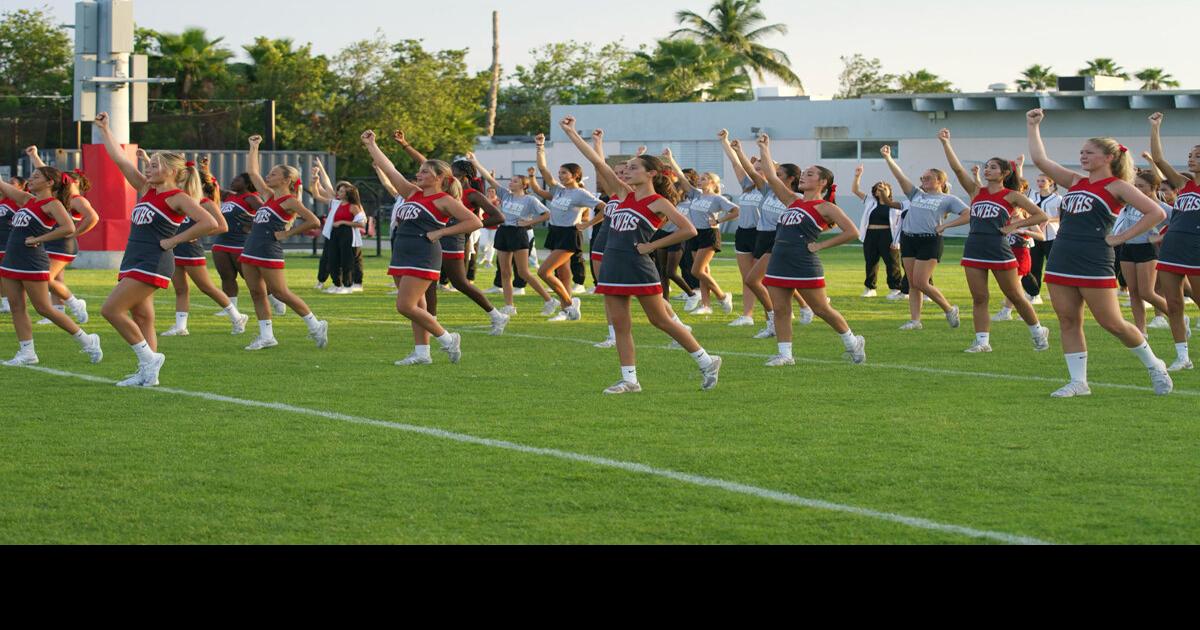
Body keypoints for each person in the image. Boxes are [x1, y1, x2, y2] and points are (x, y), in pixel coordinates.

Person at [559, 116, 721, 393]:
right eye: (627, 168)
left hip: (637, 265)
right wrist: (570, 132)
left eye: (634, 168)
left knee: (660, 320)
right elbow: (598, 163)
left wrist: (653, 246)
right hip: (612, 263)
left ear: (651, 174)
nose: (626, 172)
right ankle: (630, 380)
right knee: (620, 325)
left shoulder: (658, 201)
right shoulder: (622, 194)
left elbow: (688, 230)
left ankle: (707, 360)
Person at [1027, 108, 1172, 396]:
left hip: (1095, 259)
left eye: (1089, 153)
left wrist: (1120, 238)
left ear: (1109, 157)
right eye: (1082, 152)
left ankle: (1155, 365)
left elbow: (1155, 212)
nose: (1083, 157)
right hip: (1062, 256)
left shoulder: (1117, 186)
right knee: (1068, 319)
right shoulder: (1076, 181)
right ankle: (1078, 382)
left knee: (1112, 322)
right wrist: (1033, 126)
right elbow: (1040, 160)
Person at [93, 112, 218, 386]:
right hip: (134, 258)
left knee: (111, 310)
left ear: (172, 172)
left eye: (155, 166)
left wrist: (174, 241)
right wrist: (105, 129)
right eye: (149, 166)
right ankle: (149, 375)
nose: (148, 169)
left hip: (153, 260)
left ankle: (149, 358)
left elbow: (209, 222)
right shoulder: (147, 190)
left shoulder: (178, 197)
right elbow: (119, 160)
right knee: (142, 316)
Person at [363, 129, 482, 366]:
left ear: (440, 177)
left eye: (425, 171)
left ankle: (448, 338)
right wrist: (371, 144)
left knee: (405, 305)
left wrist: (441, 232)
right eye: (420, 170)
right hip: (402, 252)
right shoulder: (413, 193)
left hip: (423, 254)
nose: (419, 174)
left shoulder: (444, 200)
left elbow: (475, 221)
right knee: (418, 305)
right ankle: (422, 353)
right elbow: (390, 170)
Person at [935, 129, 1051, 353]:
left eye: (993, 167)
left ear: (1005, 173)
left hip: (999, 249)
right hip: (974, 247)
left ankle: (1038, 330)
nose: (988, 169)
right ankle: (982, 342)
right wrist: (945, 143)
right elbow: (957, 169)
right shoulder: (976, 191)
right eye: (986, 166)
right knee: (979, 298)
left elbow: (1041, 216)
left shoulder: (1012, 195)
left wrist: (1014, 226)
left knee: (1015, 295)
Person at [756, 134, 866, 366]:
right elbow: (771, 177)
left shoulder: (826, 207)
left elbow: (852, 232)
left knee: (821, 309)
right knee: (780, 309)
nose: (804, 176)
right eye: (803, 173)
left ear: (823, 182)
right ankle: (786, 355)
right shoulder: (793, 200)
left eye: (810, 174)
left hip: (804, 261)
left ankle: (853, 342)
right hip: (779, 259)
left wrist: (821, 245)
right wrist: (765, 148)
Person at [392, 131, 510, 334]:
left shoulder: (471, 194)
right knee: (428, 284)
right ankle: (431, 320)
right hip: (430, 238)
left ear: (462, 177)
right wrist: (405, 145)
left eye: (453, 173)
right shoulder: (437, 190)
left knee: (460, 282)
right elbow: (426, 163)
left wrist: (456, 229)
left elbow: (497, 217)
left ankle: (495, 314)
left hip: (453, 240)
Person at [0, 166, 103, 366]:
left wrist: (40, 238)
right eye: (31, 175)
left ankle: (87, 340)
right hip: (12, 259)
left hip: (32, 261)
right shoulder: (28, 200)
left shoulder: (52, 203)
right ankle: (27, 352)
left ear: (49, 183)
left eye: (36, 176)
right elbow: (4, 186)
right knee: (16, 307)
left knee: (44, 308)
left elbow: (68, 227)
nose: (31, 178)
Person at [239, 134, 329, 351]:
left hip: (269, 250)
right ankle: (266, 335)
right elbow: (252, 172)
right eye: (269, 173)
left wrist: (287, 235)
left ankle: (316, 326)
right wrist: (253, 147)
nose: (268, 176)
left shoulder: (289, 201)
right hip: (251, 248)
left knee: (280, 293)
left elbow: (314, 221)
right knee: (257, 293)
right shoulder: (269, 196)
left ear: (287, 180)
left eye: (274, 174)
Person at [160, 157, 249, 337]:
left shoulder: (205, 202)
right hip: (174, 249)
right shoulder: (177, 200)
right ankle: (181, 326)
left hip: (192, 251)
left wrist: (196, 234)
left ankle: (237, 316)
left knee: (206, 287)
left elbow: (222, 226)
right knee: (180, 288)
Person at [880, 145, 964, 331]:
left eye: (928, 178)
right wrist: (888, 158)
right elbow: (900, 177)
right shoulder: (917, 194)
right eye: (922, 178)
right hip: (909, 239)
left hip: (930, 240)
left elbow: (968, 214)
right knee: (912, 283)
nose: (923, 181)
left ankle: (949, 309)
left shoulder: (948, 199)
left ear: (940, 181)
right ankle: (915, 321)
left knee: (921, 282)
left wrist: (946, 225)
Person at [466, 152, 555, 315]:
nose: (511, 183)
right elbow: (490, 179)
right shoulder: (505, 194)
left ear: (523, 185)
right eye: (511, 180)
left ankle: (549, 300)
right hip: (503, 232)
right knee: (504, 271)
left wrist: (528, 223)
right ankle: (509, 306)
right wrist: (475, 162)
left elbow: (547, 214)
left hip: (519, 233)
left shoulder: (530, 200)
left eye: (515, 181)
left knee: (523, 272)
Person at [531, 132, 603, 321]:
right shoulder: (559, 191)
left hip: (569, 235)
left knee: (543, 272)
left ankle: (570, 305)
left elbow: (604, 208)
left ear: (575, 175)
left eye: (564, 173)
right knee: (561, 273)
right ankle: (566, 309)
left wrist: (589, 223)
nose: (560, 176)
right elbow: (543, 169)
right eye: (560, 173)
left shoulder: (580, 193)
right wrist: (540, 147)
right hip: (555, 233)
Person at [1147, 112, 1199, 371]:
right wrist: (1155, 128)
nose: (1191, 158)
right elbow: (1158, 159)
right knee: (1174, 304)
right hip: (1172, 250)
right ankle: (1182, 357)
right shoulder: (1184, 184)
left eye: (1197, 155)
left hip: (1196, 250)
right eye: (1191, 154)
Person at [662, 149, 739, 316]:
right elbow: (682, 179)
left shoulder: (717, 198)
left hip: (709, 234)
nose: (700, 181)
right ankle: (706, 305)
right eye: (700, 178)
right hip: (695, 234)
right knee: (704, 271)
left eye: (704, 179)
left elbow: (735, 211)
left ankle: (723, 296)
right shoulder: (696, 195)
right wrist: (670, 158)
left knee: (696, 271)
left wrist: (718, 221)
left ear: (712, 183)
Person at [719, 131, 773, 328]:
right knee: (748, 278)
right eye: (754, 168)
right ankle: (747, 315)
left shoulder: (770, 189)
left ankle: (781, 312)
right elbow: (736, 164)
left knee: (764, 279)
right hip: (743, 233)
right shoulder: (747, 186)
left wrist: (764, 149)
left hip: (762, 233)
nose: (755, 171)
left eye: (760, 168)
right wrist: (725, 142)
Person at [1111, 168, 1173, 334]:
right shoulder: (1131, 203)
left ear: (1154, 187)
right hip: (1127, 248)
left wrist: (1160, 238)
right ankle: (1141, 331)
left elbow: (1181, 225)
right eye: (1135, 185)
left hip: (1147, 250)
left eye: (1141, 186)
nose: (1136, 189)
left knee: (1146, 292)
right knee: (1134, 293)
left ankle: (1178, 318)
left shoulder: (1162, 208)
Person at [310, 162, 367, 295]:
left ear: (347, 194)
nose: (338, 193)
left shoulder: (354, 206)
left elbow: (362, 224)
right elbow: (316, 196)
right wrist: (315, 179)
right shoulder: (335, 203)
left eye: (341, 191)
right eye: (339, 190)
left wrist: (342, 222)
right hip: (334, 233)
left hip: (347, 234)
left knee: (347, 260)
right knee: (333, 258)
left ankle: (347, 285)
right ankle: (337, 284)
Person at [210, 171, 262, 313]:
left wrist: (254, 224)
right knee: (226, 276)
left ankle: (274, 299)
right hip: (222, 242)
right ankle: (231, 308)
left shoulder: (251, 198)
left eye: (237, 180)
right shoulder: (228, 196)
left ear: (247, 183)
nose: (233, 181)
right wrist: (205, 169)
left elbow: (266, 214)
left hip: (241, 243)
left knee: (249, 277)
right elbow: (211, 187)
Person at [851, 164, 905, 299]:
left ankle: (895, 288)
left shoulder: (895, 206)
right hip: (870, 236)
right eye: (877, 189)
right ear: (874, 192)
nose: (880, 190)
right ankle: (870, 288)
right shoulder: (870, 202)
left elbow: (899, 225)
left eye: (883, 188)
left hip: (888, 236)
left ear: (889, 192)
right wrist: (858, 176)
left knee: (892, 263)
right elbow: (855, 190)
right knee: (871, 262)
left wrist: (896, 241)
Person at [1023, 174, 1062, 303]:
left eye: (1043, 180)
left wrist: (1048, 219)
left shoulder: (1057, 199)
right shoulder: (1032, 196)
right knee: (1034, 266)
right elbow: (1021, 184)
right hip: (1035, 236)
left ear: (1050, 182)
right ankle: (1034, 294)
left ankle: (1056, 293)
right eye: (1038, 180)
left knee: (1053, 266)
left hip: (1051, 236)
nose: (1040, 183)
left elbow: (1062, 217)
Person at [0, 176, 24, 314]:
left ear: (21, 187)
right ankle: (5, 303)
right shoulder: (2, 201)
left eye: (12, 183)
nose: (6, 185)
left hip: (9, 245)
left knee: (13, 276)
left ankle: (47, 297)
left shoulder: (17, 202)